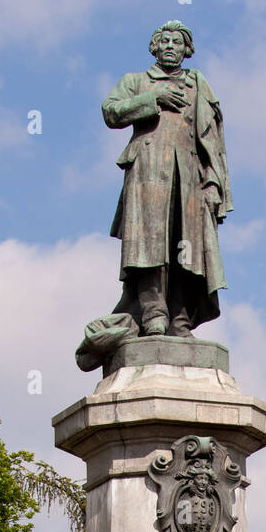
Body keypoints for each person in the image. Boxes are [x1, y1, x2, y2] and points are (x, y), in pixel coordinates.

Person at [102, 21, 232, 337]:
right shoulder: (135, 81)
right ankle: (153, 315)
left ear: (187, 50)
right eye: (165, 41)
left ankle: (181, 320)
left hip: (190, 179)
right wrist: (154, 99)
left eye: (177, 41)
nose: (171, 46)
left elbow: (213, 141)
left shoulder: (198, 85)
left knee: (188, 249)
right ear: (155, 47)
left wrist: (214, 184)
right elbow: (111, 112)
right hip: (147, 173)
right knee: (149, 246)